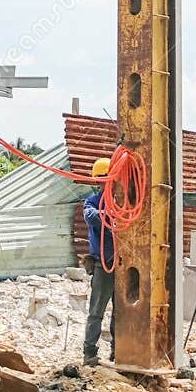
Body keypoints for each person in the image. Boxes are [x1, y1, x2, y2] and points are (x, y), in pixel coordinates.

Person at [82, 156, 115, 365]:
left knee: (122, 312)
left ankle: (118, 350)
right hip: (102, 263)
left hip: (122, 263)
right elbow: (91, 216)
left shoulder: (123, 202)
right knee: (97, 311)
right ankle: (90, 353)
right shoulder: (92, 202)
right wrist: (111, 217)